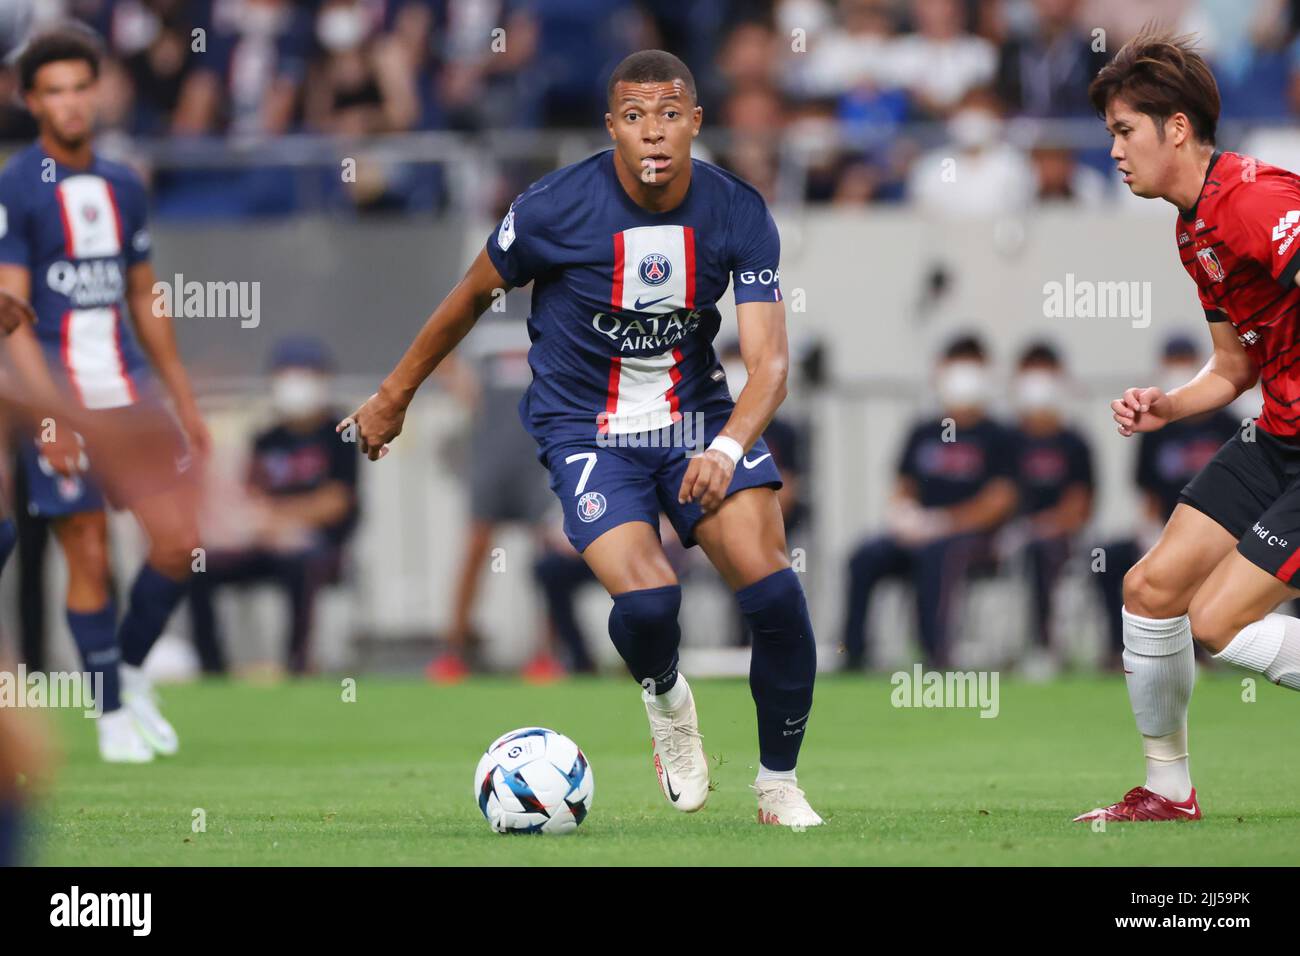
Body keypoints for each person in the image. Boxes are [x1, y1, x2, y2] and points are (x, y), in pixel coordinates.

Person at [342, 50, 823, 827]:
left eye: (670, 115)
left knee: (775, 593)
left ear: (696, 121)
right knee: (651, 603)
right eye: (634, 118)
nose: (654, 134)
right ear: (611, 129)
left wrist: (727, 448)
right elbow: (468, 297)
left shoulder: (738, 210)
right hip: (587, 432)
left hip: (696, 419)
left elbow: (770, 365)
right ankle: (668, 701)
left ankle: (777, 785)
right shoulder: (551, 208)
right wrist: (394, 396)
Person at [1077, 32, 1300, 823]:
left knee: (1217, 620)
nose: (1113, 150)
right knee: (1150, 590)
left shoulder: (1254, 201)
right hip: (1278, 432)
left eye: (1123, 130)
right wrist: (1168, 404)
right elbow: (1233, 366)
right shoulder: (1192, 228)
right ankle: (1168, 791)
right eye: (1109, 133)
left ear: (1176, 129)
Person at [0, 27, 206, 763]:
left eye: (79, 87)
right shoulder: (18, 187)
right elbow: (12, 317)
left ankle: (129, 666)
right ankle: (111, 711)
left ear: (99, 91)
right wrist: (48, 416)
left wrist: (182, 399)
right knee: (85, 550)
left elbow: (145, 297)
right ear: (31, 100)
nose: (70, 102)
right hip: (59, 394)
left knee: (181, 540)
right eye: (52, 90)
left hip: (128, 390)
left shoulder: (123, 185)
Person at [841, 335, 1019, 670]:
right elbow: (904, 487)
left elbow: (1000, 500)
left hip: (976, 539)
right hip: (920, 534)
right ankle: (854, 652)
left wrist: (943, 524)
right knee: (865, 555)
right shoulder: (922, 430)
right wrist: (904, 516)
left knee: (938, 553)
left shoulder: (1000, 435)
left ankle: (935, 655)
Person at [187, 337, 359, 676]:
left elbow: (336, 503)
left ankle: (297, 666)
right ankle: (211, 668)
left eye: (306, 373)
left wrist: (281, 518)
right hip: (263, 543)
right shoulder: (266, 439)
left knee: (301, 563)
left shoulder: (341, 435)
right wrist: (257, 523)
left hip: (318, 546)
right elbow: (250, 499)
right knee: (197, 567)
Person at [1093, 335, 1241, 667]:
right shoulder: (1158, 427)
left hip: (1223, 530)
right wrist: (1149, 530)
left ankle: (1201, 650)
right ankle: (1125, 648)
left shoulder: (1230, 426)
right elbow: (1146, 488)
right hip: (1167, 525)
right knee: (1111, 558)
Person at [1006, 342, 1094, 676]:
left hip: (1059, 537)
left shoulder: (1073, 442)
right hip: (1009, 534)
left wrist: (1048, 525)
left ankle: (1044, 646)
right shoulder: (1007, 438)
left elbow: (1079, 507)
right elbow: (998, 495)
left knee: (1041, 551)